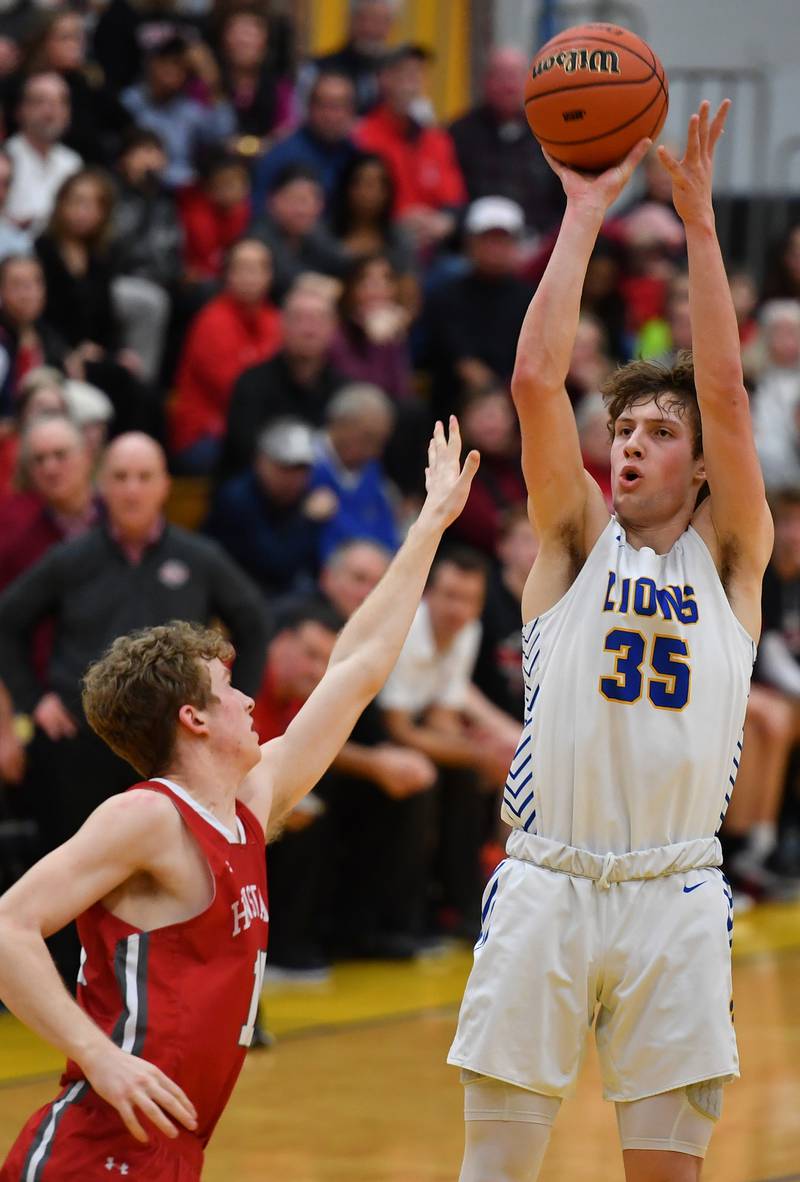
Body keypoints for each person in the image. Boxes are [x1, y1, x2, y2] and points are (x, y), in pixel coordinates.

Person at [0, 417, 478, 1180]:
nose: (251, 698)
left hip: (175, 1151)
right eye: (227, 689)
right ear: (192, 719)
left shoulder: (249, 801)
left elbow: (356, 669)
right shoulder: (147, 818)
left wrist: (428, 527)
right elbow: (8, 926)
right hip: (97, 1152)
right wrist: (98, 1056)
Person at [447, 103, 773, 1182]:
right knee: (494, 1170)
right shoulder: (573, 543)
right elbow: (534, 385)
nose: (629, 446)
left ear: (702, 467)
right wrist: (582, 211)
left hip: (674, 892)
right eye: (623, 431)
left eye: (659, 434)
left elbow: (724, 393)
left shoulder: (732, 559)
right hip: (545, 879)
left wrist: (699, 225)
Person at [0, 432, 271, 987]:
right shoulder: (71, 559)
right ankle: (62, 991)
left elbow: (254, 621)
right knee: (72, 871)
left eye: (144, 477)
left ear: (165, 486)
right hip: (81, 745)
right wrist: (34, 699)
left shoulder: (198, 557)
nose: (132, 489)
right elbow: (7, 622)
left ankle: (226, 993)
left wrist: (225, 704)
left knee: (194, 870)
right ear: (102, 485)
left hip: (173, 750)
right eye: (120, 477)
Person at [169, 238, 282, 474]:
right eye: (242, 269)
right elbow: (235, 392)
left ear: (269, 276)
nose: (250, 277)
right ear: (228, 276)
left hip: (258, 429)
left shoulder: (275, 320)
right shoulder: (211, 321)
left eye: (257, 269)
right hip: (205, 434)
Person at [420, 196, 533, 421]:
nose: (494, 248)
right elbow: (461, 361)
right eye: (487, 239)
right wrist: (495, 398)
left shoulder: (531, 297)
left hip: (518, 401)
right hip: (455, 405)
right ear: (469, 243)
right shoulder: (445, 294)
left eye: (502, 240)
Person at [219, 280, 346, 478]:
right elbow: (244, 454)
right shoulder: (251, 385)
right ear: (282, 325)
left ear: (333, 328)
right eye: (299, 319)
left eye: (319, 319)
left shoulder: (345, 392)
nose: (309, 329)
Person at [356, 44, 466, 255]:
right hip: (382, 245)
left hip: (435, 248)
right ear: (384, 79)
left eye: (418, 74)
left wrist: (443, 221)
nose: (410, 84)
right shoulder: (363, 136)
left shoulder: (437, 139)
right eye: (403, 74)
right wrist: (398, 220)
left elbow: (454, 200)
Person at [448, 47, 564, 237]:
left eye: (514, 76)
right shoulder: (459, 133)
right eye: (500, 76)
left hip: (539, 240)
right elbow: (451, 198)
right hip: (475, 241)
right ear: (485, 82)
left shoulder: (552, 134)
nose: (508, 86)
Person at [204, 418, 323, 600]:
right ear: (261, 461)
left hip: (285, 590)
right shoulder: (237, 499)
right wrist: (306, 521)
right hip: (242, 592)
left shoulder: (306, 495)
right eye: (285, 468)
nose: (295, 478)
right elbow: (275, 565)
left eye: (302, 469)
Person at [310, 381, 398, 560]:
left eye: (381, 442)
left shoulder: (372, 472)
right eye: (369, 438)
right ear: (339, 424)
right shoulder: (303, 465)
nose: (375, 451)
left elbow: (388, 536)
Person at [250, 71, 357, 214]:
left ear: (352, 110)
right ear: (309, 107)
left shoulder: (355, 155)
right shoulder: (279, 157)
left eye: (339, 106)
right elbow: (260, 214)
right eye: (323, 105)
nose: (330, 116)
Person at [249, 163, 347, 301]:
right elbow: (285, 278)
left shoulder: (316, 230)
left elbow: (342, 263)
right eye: (295, 199)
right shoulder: (259, 237)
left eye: (309, 200)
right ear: (272, 200)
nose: (302, 209)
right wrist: (331, 287)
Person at [4, 72, 82, 234]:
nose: (50, 112)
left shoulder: (73, 162)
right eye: (40, 102)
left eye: (60, 103)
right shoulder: (4, 158)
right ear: (20, 110)